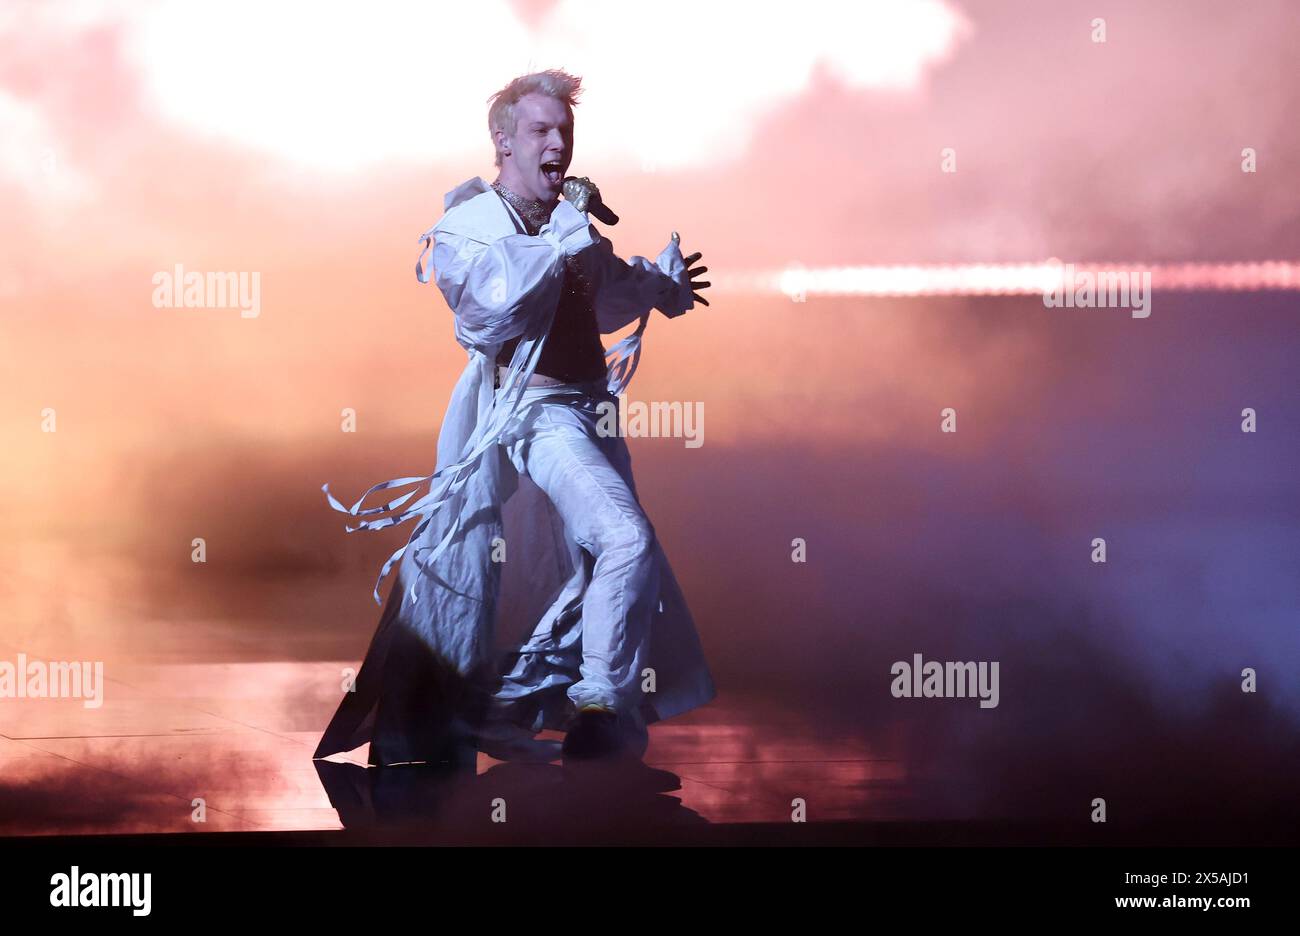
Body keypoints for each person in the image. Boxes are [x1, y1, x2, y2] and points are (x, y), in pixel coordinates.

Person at [313, 69, 715, 767]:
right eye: (541, 130)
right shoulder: (466, 229)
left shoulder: (567, 224)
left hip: (592, 414)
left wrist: (664, 286)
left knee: (595, 567)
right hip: (534, 416)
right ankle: (599, 708)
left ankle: (513, 697)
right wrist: (567, 231)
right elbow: (496, 308)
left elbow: (605, 293)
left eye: (565, 130)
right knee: (625, 539)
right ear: (503, 141)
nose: (558, 143)